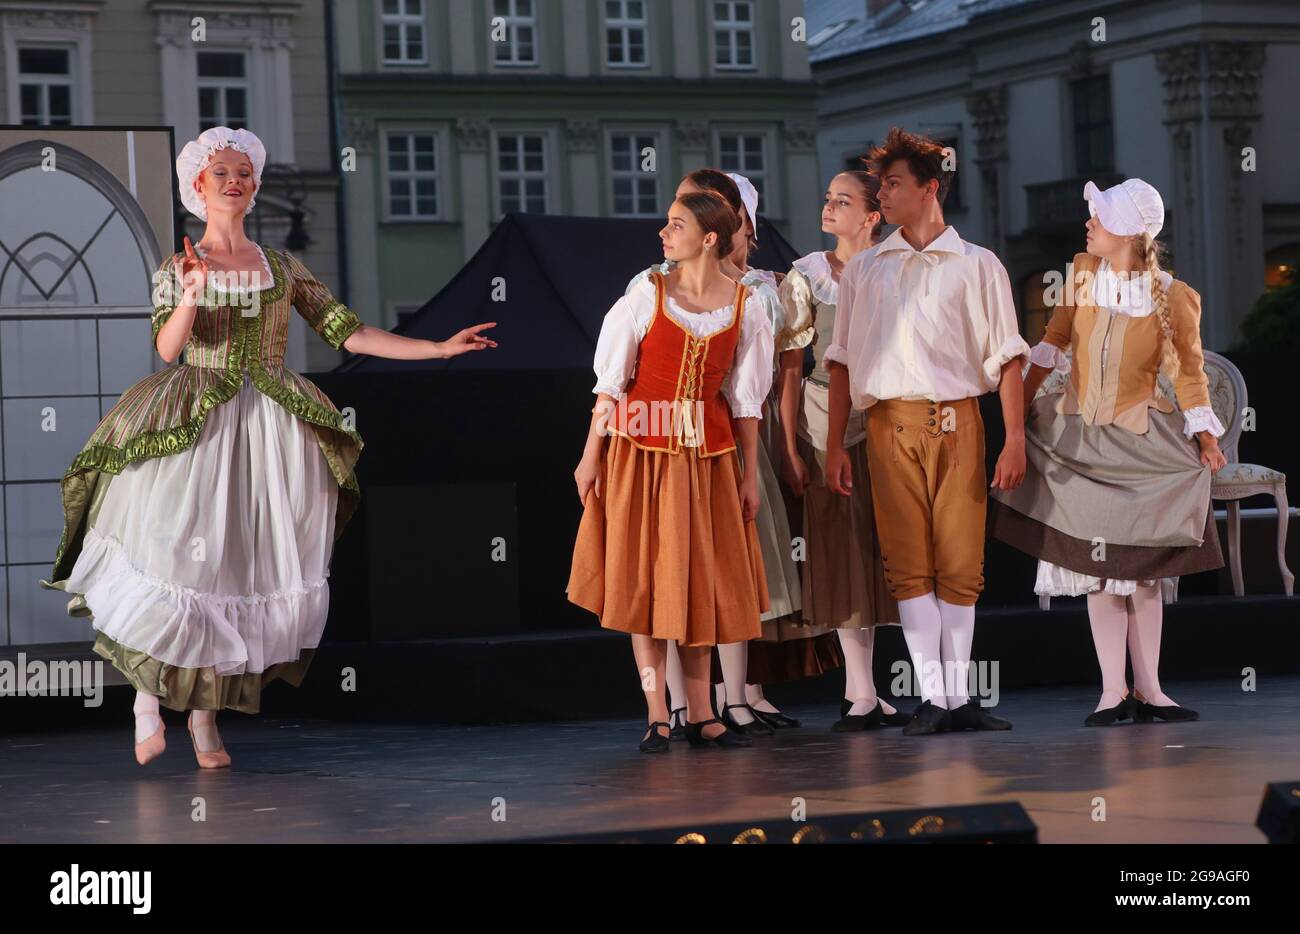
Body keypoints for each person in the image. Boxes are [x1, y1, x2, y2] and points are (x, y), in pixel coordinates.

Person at [39, 126, 497, 768]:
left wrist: (436, 348)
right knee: (175, 556)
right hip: (195, 419)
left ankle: (204, 719)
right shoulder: (179, 267)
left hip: (269, 428)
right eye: (221, 173)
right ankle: (147, 700)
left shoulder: (281, 266)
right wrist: (194, 296)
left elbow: (349, 331)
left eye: (244, 173)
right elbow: (168, 349)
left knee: (239, 564)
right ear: (198, 186)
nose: (235, 182)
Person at [987, 178, 1226, 725]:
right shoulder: (1082, 274)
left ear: (1123, 228)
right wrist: (1016, 415)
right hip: (1078, 440)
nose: (1088, 224)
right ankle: (1111, 691)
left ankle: (1151, 688)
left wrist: (1207, 437)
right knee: (1095, 569)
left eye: (1097, 216)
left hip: (1140, 443)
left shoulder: (1174, 296)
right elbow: (1051, 344)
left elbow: (1187, 375)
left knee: (1139, 571)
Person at [824, 126, 1030, 736]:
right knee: (908, 564)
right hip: (889, 425)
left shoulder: (977, 264)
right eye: (880, 184)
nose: (881, 195)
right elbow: (841, 361)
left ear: (928, 188)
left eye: (892, 184)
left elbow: (1008, 355)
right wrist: (836, 443)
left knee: (962, 563)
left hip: (959, 420)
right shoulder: (866, 271)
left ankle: (959, 697)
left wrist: (1014, 436)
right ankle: (934, 698)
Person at [568, 189, 774, 752]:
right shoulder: (645, 294)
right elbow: (608, 387)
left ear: (709, 238)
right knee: (646, 579)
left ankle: (704, 711)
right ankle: (658, 710)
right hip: (642, 454)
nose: (663, 233)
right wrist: (591, 455)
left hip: (708, 458)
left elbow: (746, 402)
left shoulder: (746, 305)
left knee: (700, 581)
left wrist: (750, 475)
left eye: (676, 224)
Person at [777, 169, 907, 731]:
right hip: (823, 418)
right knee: (840, 548)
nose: (828, 208)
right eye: (827, 198)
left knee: (883, 549)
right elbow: (789, 369)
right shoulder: (807, 275)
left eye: (842, 201)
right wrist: (788, 444)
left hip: (889, 418)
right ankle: (859, 689)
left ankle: (875, 689)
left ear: (872, 215)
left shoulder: (898, 267)